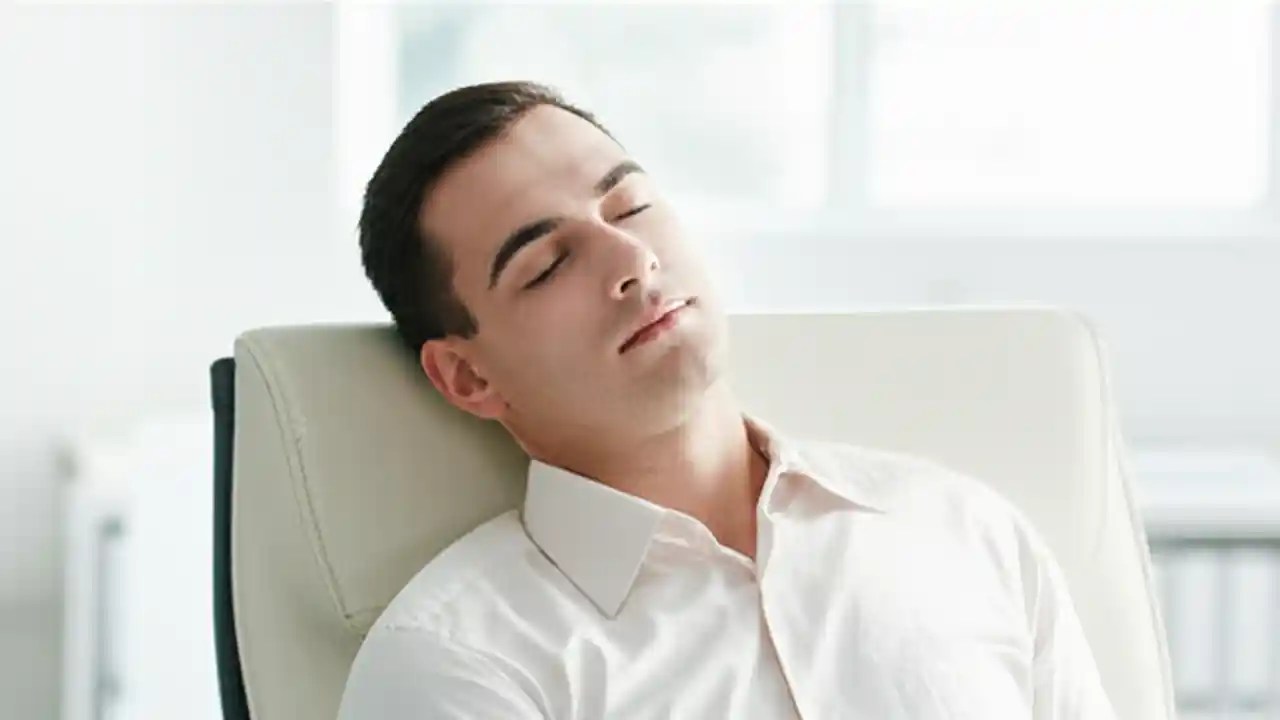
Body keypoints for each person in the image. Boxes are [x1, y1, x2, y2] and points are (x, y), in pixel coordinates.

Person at [337, 80, 1116, 719]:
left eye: (631, 206)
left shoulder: (965, 532)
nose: (631, 260)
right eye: (546, 264)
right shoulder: (456, 663)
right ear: (470, 378)